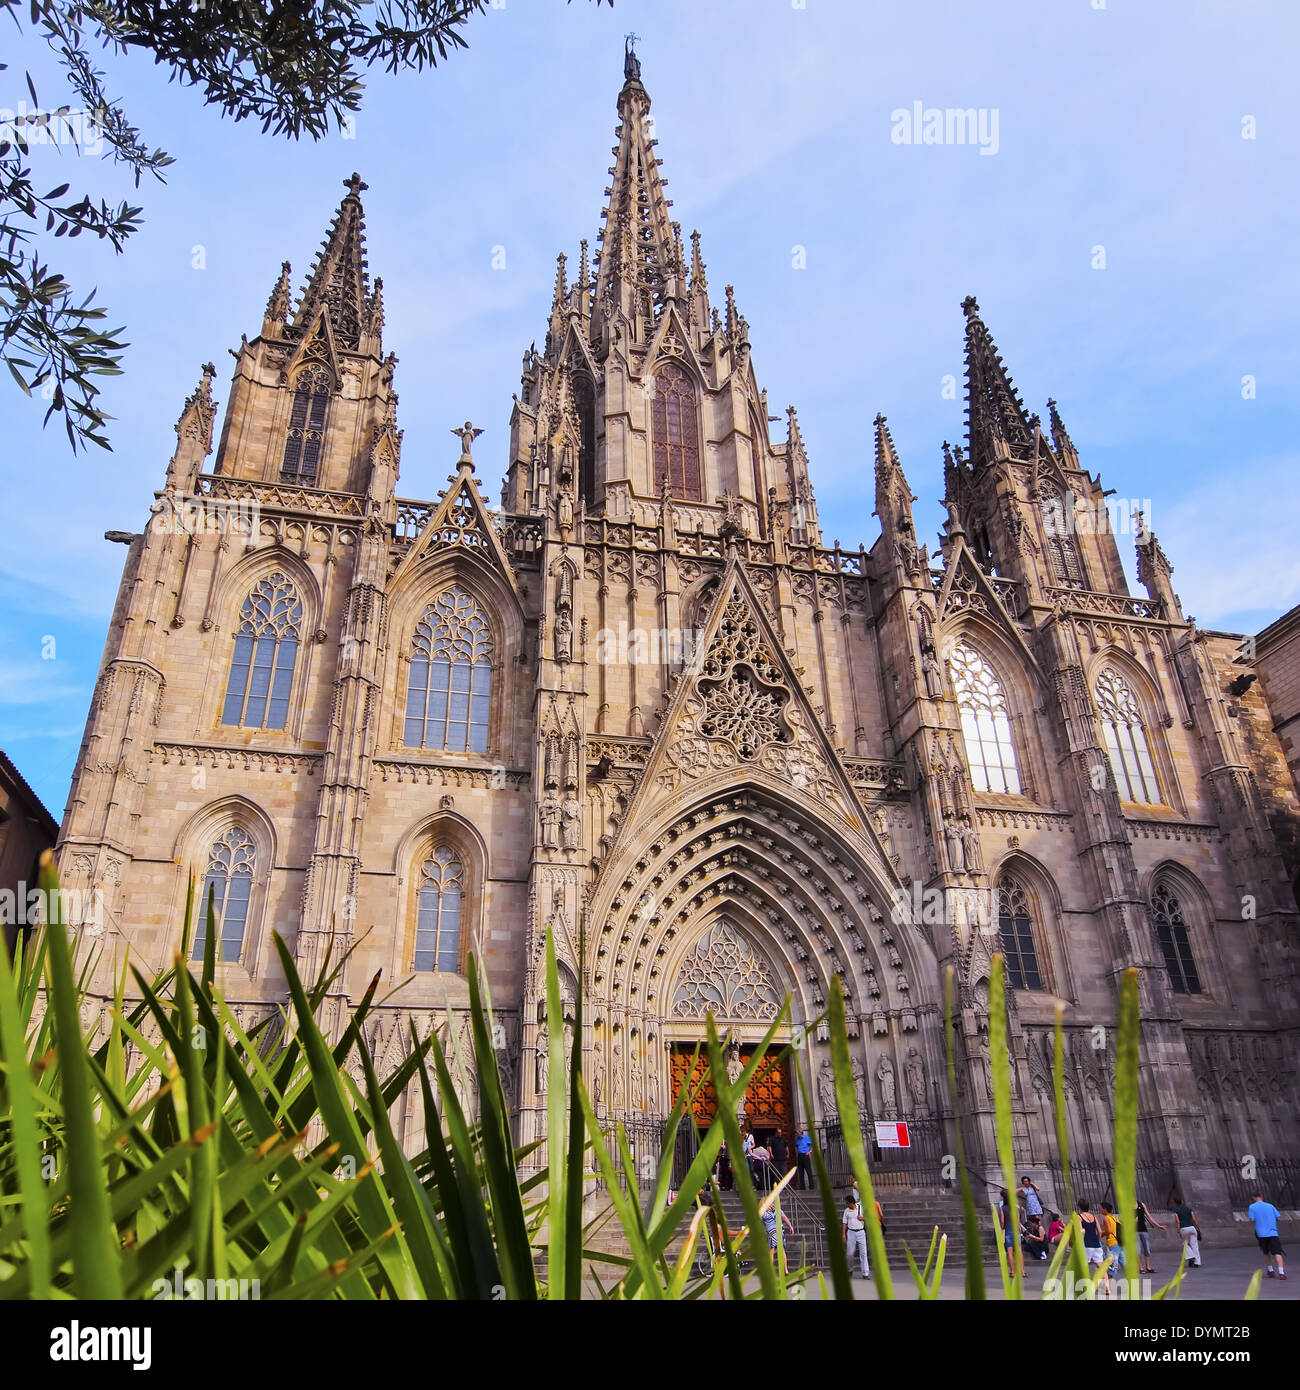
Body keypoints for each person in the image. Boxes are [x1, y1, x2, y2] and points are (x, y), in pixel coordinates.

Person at [1247, 1192, 1287, 1280]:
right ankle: (1281, 1273)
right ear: (1262, 1197)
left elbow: (1252, 1219)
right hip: (1273, 1232)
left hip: (1261, 1234)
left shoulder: (1252, 1207)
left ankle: (1271, 1271)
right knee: (1277, 1253)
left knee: (1266, 1252)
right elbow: (1278, 1217)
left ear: (1253, 1198)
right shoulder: (1270, 1206)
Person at [762, 1200, 795, 1274]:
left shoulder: (763, 1212)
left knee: (771, 1251)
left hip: (771, 1232)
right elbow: (785, 1218)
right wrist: (790, 1226)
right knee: (782, 1250)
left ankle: (770, 1271)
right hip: (780, 1231)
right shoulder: (777, 1209)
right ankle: (786, 1270)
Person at [1134, 1198, 1166, 1274]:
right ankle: (1141, 1268)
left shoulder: (1142, 1204)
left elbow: (1149, 1216)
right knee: (1137, 1250)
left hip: (1143, 1230)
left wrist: (1158, 1225)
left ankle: (1148, 1267)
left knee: (1147, 1250)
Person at [842, 1189, 869, 1279]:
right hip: (851, 1232)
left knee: (863, 1253)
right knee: (850, 1253)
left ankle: (865, 1273)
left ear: (851, 1203)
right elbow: (844, 1223)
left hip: (861, 1232)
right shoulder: (846, 1211)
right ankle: (850, 1269)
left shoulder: (860, 1208)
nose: (846, 1205)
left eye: (847, 1203)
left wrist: (863, 1218)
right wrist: (843, 1234)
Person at [1100, 1202, 1125, 1291]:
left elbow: (1109, 1231)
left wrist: (1101, 1233)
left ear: (1105, 1209)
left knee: (1112, 1267)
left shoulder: (1106, 1218)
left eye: (1101, 1208)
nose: (1100, 1210)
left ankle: (1107, 1287)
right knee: (1124, 1263)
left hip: (1112, 1243)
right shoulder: (1114, 1218)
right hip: (1119, 1243)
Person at [1078, 1200, 1106, 1279]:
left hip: (1086, 1244)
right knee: (1101, 1267)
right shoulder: (1094, 1217)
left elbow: (1081, 1231)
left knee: (1084, 1267)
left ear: (1079, 1207)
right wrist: (1098, 1240)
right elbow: (1100, 1231)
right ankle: (1108, 1288)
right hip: (1096, 1244)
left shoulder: (1079, 1217)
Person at [997, 1188, 1022, 1277]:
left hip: (1008, 1231)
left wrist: (1002, 1227)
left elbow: (1002, 1221)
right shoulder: (1014, 1207)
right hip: (1016, 1231)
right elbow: (1017, 1220)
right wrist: (1019, 1229)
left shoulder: (1002, 1207)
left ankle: (1012, 1271)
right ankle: (1022, 1271)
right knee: (1019, 1252)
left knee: (1010, 1253)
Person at [1172, 1194, 1201, 1268]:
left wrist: (1178, 1231)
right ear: (1182, 1201)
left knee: (1185, 1244)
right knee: (1194, 1245)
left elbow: (1178, 1221)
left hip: (1184, 1228)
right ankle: (1197, 1262)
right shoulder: (1189, 1209)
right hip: (1192, 1227)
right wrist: (1197, 1228)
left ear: (1175, 1202)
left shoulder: (1176, 1210)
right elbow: (1194, 1219)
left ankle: (1191, 1256)